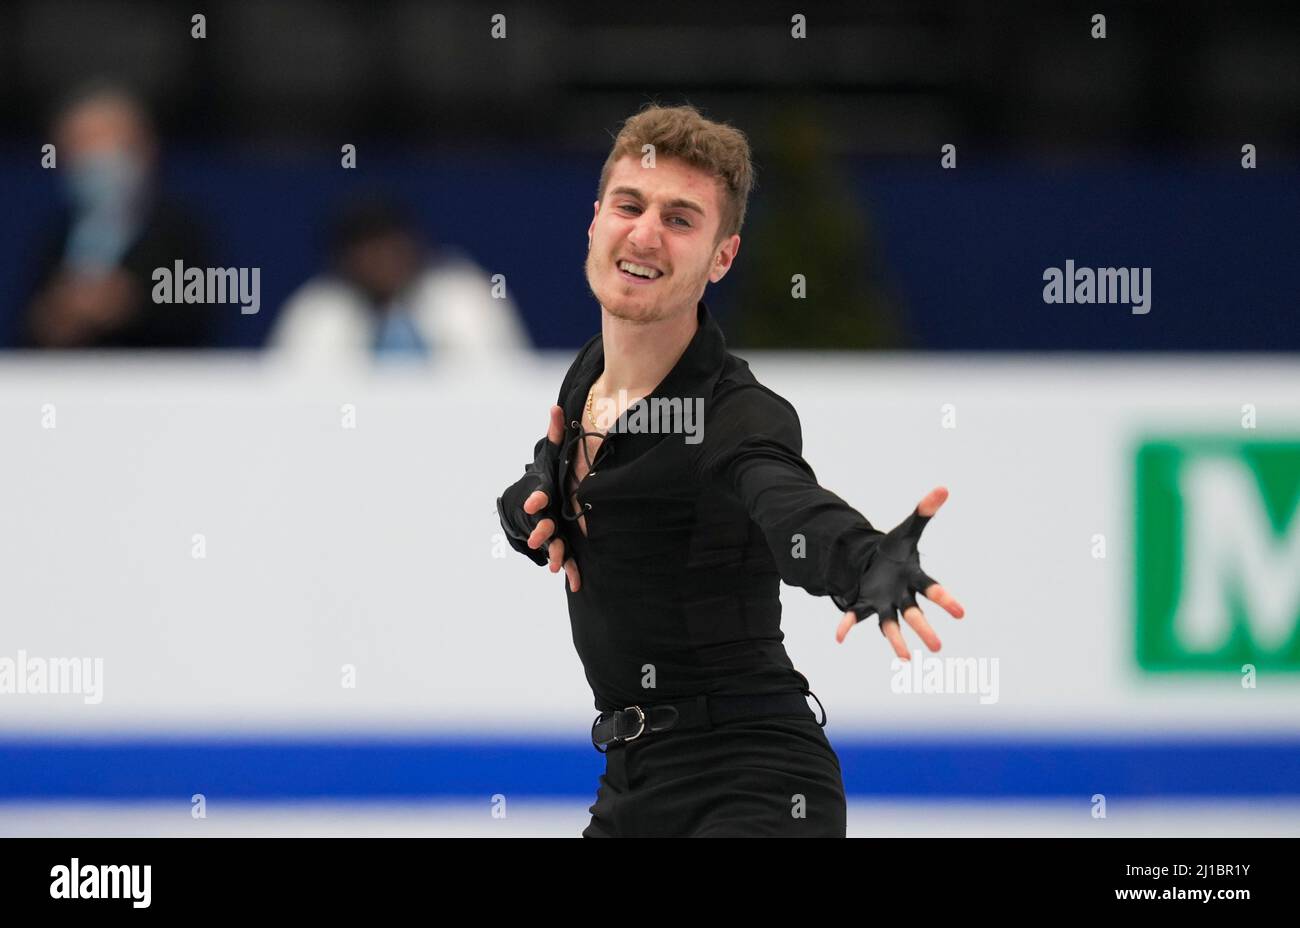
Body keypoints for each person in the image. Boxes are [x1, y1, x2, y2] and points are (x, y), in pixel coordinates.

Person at [495, 104, 966, 837]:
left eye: (681, 219)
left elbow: (784, 500)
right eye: (630, 205)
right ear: (596, 221)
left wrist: (862, 559)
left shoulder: (737, 414)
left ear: (721, 256)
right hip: (633, 787)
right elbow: (561, 478)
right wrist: (530, 506)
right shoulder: (588, 378)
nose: (646, 232)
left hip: (754, 786)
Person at [21, 83, 215, 348]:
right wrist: (57, 316)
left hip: (157, 382)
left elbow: (198, 322)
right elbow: (26, 332)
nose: (92, 160)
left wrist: (129, 304)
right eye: (78, 147)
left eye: (103, 143)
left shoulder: (178, 230)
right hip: (71, 383)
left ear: (143, 147)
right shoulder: (58, 232)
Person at [268, 196, 530, 365]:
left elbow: (507, 378)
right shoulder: (316, 312)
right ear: (343, 259)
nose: (381, 260)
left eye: (390, 245)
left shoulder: (466, 296)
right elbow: (291, 395)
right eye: (367, 249)